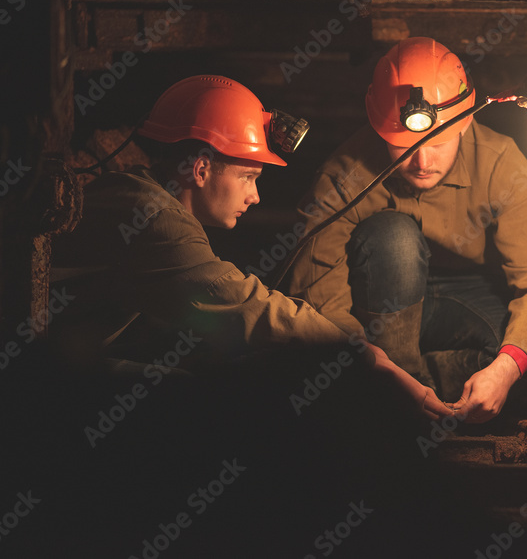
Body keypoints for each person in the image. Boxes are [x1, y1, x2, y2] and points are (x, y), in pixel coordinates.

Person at [49, 74, 451, 419]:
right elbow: (249, 307)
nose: (255, 196)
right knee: (193, 404)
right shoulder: (154, 219)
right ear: (202, 169)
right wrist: (368, 358)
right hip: (40, 367)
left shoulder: (140, 196)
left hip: (60, 354)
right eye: (248, 177)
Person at [289, 38, 527, 423]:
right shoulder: (344, 175)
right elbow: (318, 297)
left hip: (462, 297)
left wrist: (504, 370)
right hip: (375, 303)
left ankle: (427, 391)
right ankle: (396, 400)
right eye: (403, 146)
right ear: (378, 129)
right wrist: (374, 364)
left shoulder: (500, 162)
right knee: (395, 240)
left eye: (436, 142)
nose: (421, 161)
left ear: (465, 122)